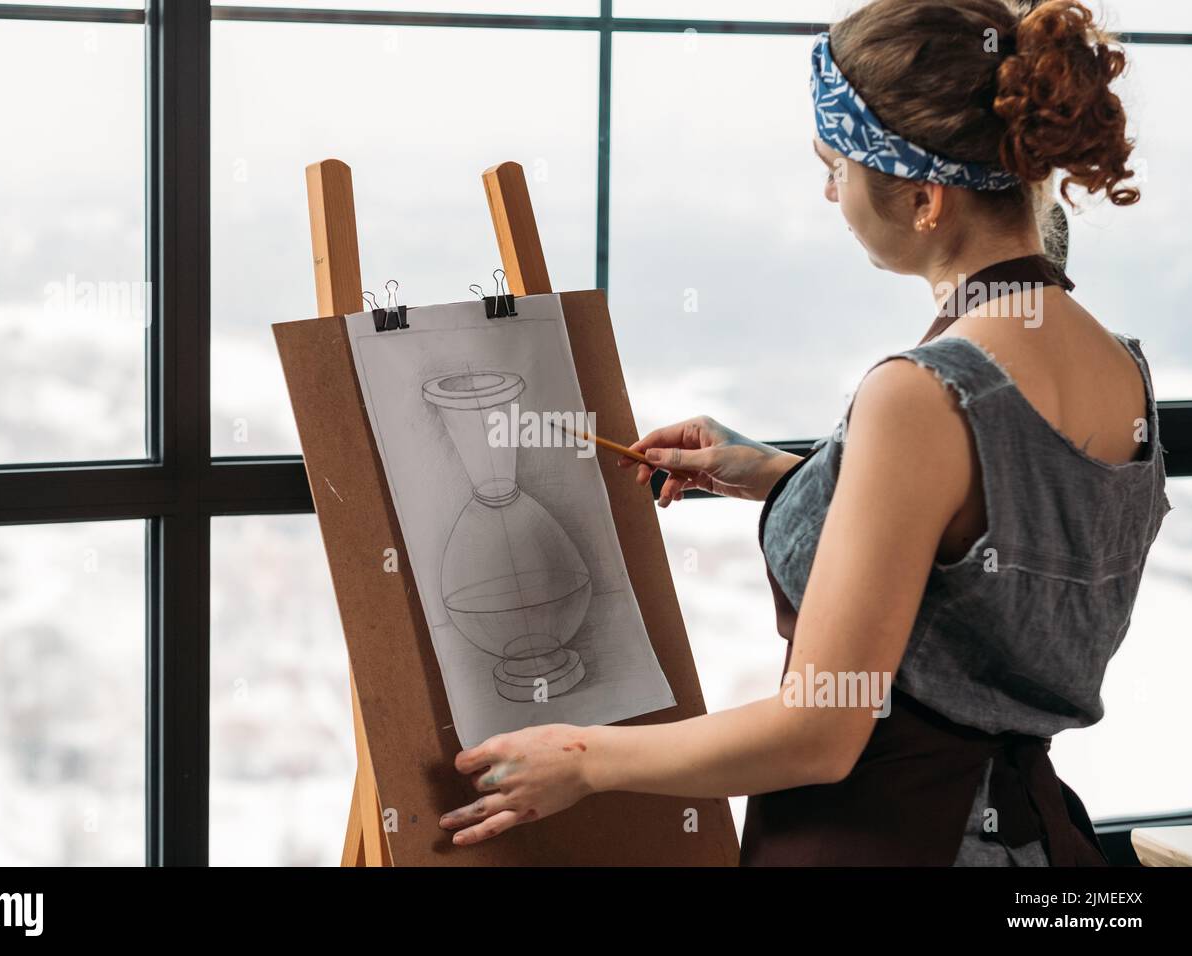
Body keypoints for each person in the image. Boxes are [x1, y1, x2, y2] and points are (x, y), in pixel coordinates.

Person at [437, 0, 1172, 865]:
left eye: (837, 167)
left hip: (891, 841)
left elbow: (819, 733)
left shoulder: (922, 394)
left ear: (924, 197)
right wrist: (781, 474)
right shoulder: (1120, 368)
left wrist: (585, 759)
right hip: (1036, 844)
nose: (830, 193)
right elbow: (975, 569)